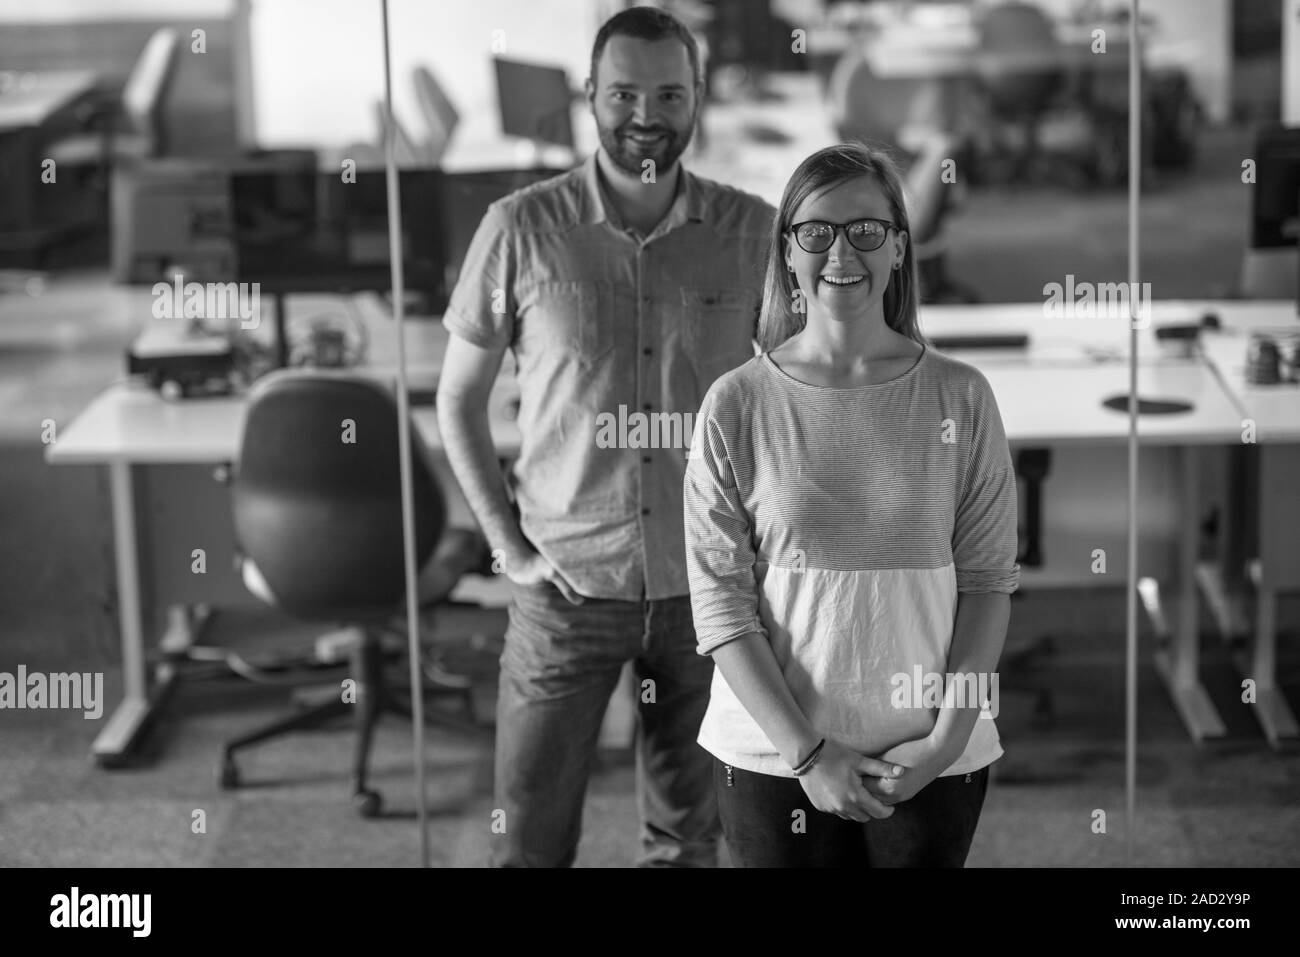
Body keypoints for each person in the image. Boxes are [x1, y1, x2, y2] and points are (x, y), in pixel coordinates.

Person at [436, 6, 775, 867]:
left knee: (689, 842)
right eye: (623, 92)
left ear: (699, 97)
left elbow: (796, 397)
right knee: (531, 837)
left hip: (708, 594)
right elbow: (458, 399)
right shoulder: (519, 230)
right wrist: (507, 547)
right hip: (566, 589)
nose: (645, 114)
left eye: (669, 92)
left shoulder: (752, 234)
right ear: (590, 96)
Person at [683, 142, 1020, 867]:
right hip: (775, 754)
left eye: (866, 230)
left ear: (899, 246)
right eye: (817, 231)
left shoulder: (961, 396)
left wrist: (945, 738)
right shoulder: (735, 404)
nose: (842, 251)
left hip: (929, 749)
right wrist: (809, 753)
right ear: (788, 251)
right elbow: (720, 607)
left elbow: (988, 581)